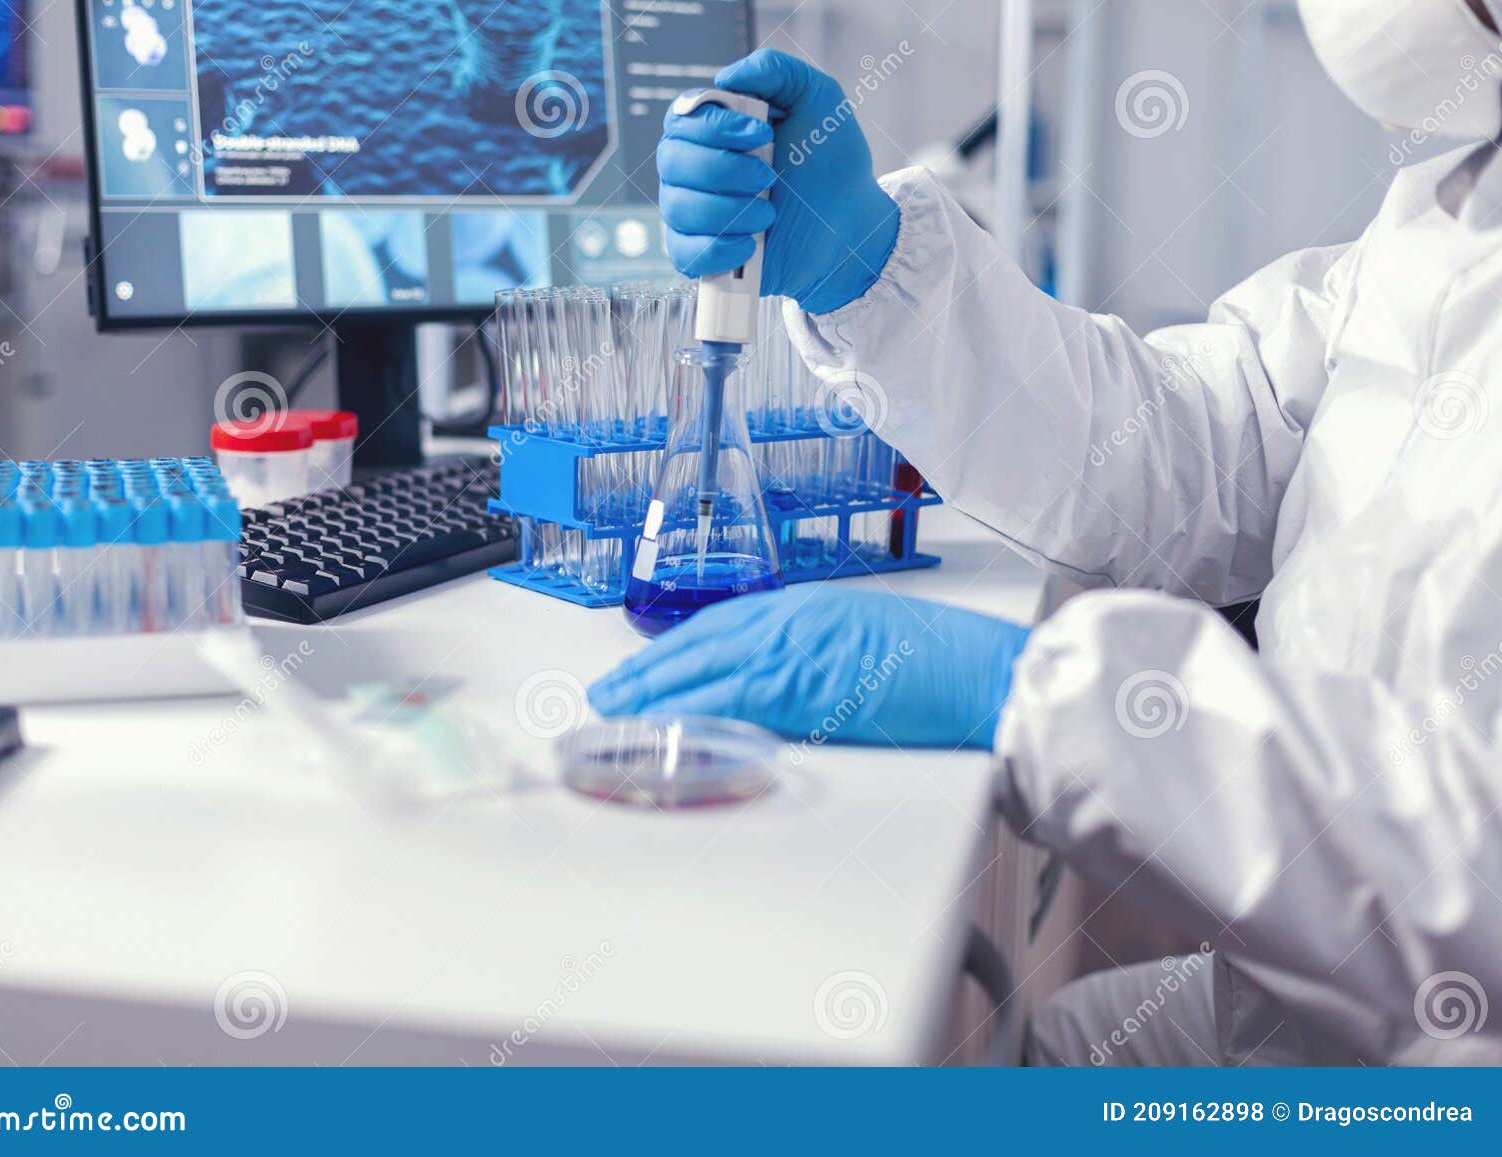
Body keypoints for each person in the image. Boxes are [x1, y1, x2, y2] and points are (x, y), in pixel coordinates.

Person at [589, 0, 1502, 1065]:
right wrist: (871, 272)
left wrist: (1044, 699)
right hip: (1313, 1009)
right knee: (1021, 1052)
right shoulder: (1454, 217)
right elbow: (1193, 453)